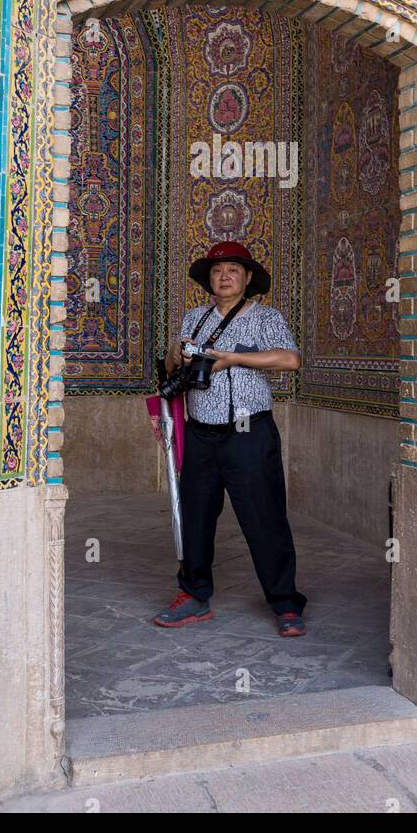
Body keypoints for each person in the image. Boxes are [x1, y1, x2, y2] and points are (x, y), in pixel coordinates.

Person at [153, 241, 308, 637]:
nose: (224, 277)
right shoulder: (194, 318)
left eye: (233, 270)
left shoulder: (265, 317)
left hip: (248, 433)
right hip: (201, 433)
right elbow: (171, 365)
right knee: (196, 516)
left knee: (264, 516)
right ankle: (193, 594)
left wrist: (234, 357)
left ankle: (286, 602)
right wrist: (177, 352)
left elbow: (290, 359)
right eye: (217, 271)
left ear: (248, 278)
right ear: (209, 279)